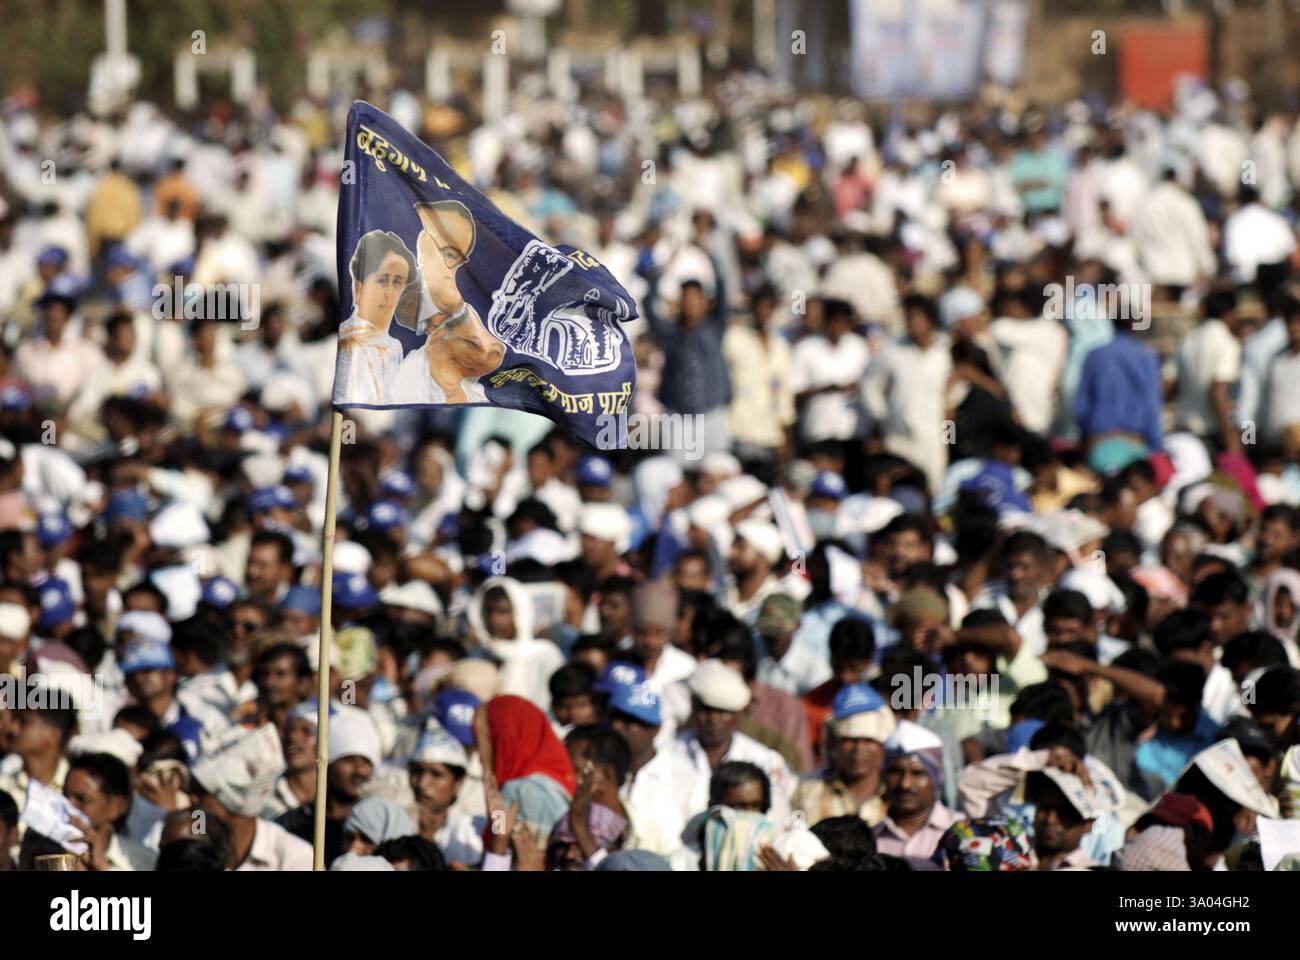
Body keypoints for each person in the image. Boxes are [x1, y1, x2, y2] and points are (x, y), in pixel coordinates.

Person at [676, 659, 795, 826]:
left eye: (723, 712)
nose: (713, 719)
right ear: (693, 707)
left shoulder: (765, 760)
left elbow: (778, 821)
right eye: (706, 710)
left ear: (739, 715)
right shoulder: (668, 754)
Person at [275, 709, 380, 866]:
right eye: (349, 760)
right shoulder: (291, 826)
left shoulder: (380, 826)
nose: (360, 770)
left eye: (366, 762)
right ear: (326, 765)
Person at [795, 683, 896, 827]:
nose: (859, 748)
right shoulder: (806, 792)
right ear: (835, 744)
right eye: (850, 739)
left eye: (869, 740)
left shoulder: (896, 795)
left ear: (883, 747)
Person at [335, 229, 418, 404]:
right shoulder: (349, 340)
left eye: (397, 282)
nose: (389, 293)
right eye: (382, 280)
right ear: (359, 285)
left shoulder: (394, 347)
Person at [872, 721, 960, 861]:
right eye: (895, 772)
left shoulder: (962, 831)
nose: (905, 784)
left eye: (917, 773)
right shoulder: (870, 838)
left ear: (936, 778)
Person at [408, 722, 483, 866]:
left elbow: (500, 843)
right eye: (417, 772)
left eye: (436, 774)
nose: (422, 784)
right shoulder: (392, 821)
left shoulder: (471, 830)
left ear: (458, 783)